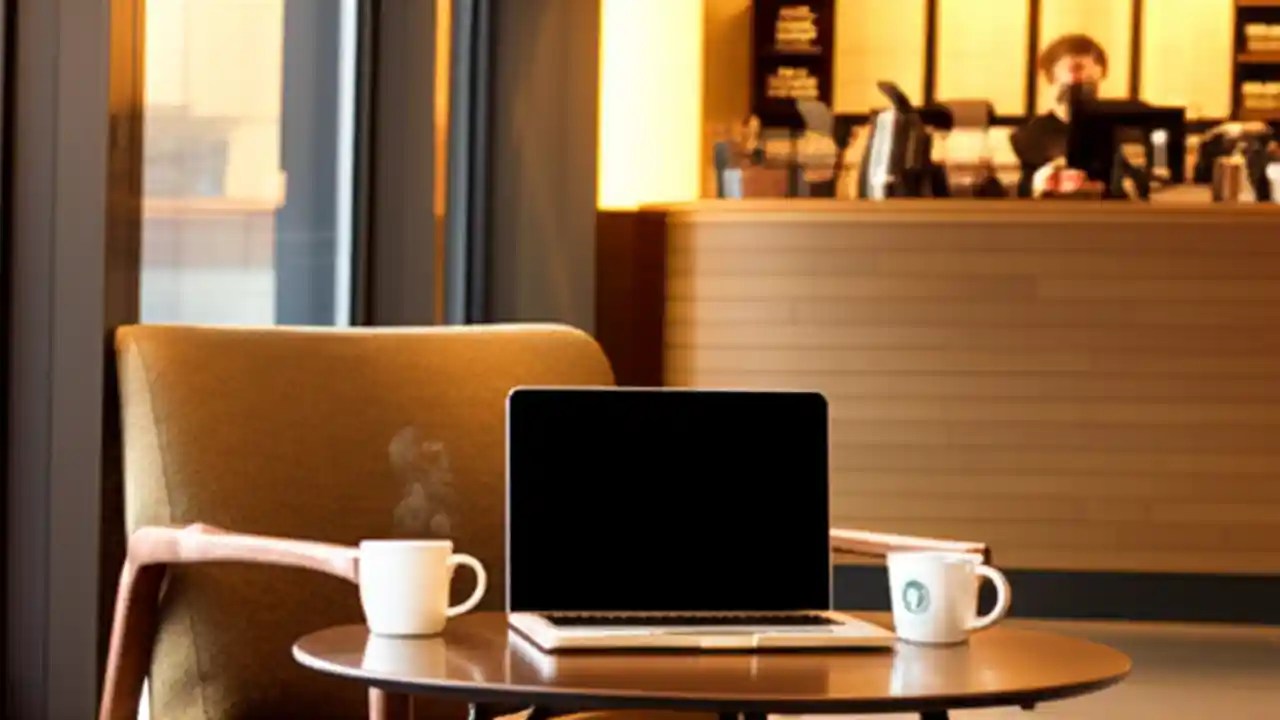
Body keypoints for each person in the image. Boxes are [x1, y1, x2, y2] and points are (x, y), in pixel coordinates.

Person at [1010, 34, 1108, 197]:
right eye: (1075, 69)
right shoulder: (1027, 137)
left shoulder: (1115, 132)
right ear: (1050, 77)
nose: (1082, 78)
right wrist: (1046, 178)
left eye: (1090, 82)